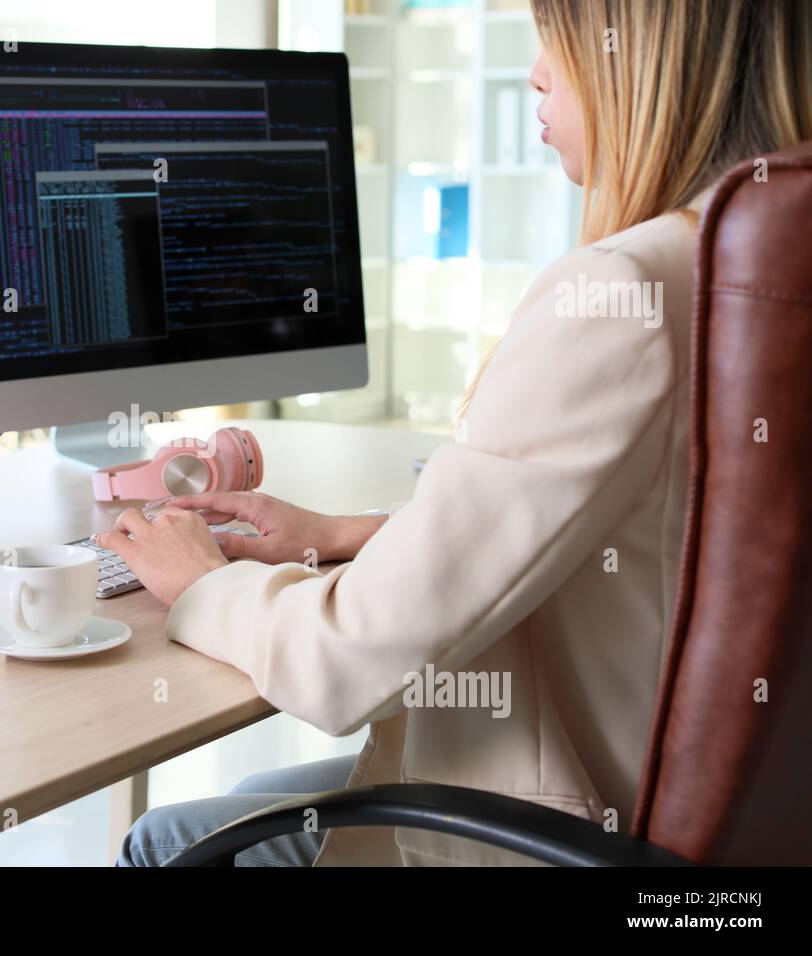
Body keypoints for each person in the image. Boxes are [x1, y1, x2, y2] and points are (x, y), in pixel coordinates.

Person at [101, 0, 812, 866]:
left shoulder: (620, 295)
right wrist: (343, 537)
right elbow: (632, 541)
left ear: (648, 65)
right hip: (697, 829)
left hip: (575, 829)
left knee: (167, 841)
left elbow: (345, 663)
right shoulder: (756, 261)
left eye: (561, 39)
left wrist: (202, 583)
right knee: (255, 801)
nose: (538, 73)